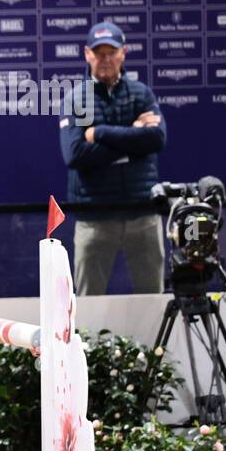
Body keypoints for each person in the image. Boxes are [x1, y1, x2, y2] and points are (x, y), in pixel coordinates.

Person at [59, 21, 167, 295]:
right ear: (87, 54)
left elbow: (156, 139)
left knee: (152, 300)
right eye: (99, 53)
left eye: (111, 52)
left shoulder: (141, 93)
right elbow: (76, 154)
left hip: (142, 214)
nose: (105, 59)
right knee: (86, 304)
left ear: (123, 53)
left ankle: (156, 341)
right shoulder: (77, 99)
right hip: (94, 216)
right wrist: (133, 137)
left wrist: (101, 133)